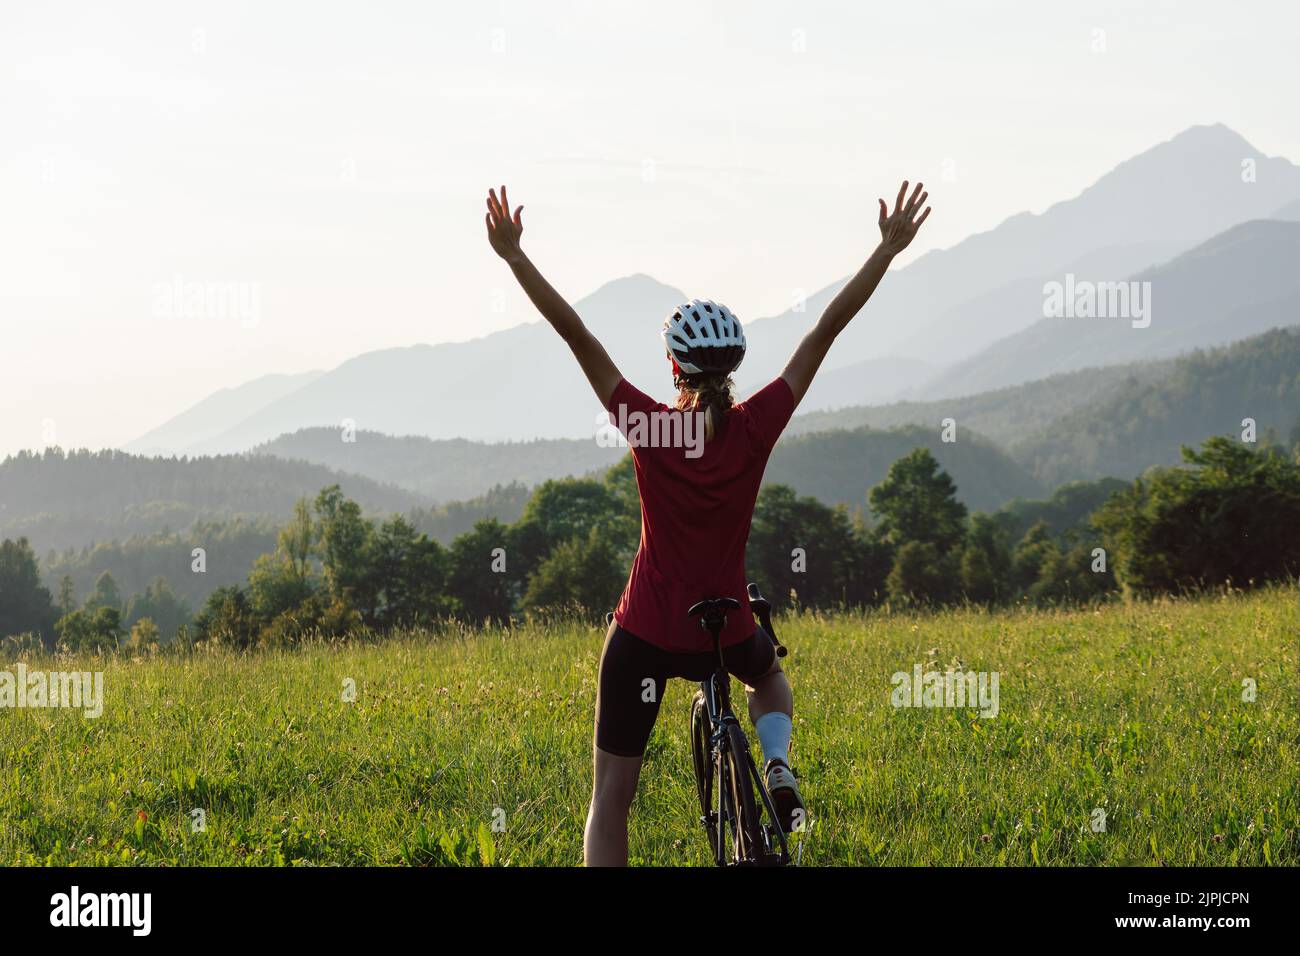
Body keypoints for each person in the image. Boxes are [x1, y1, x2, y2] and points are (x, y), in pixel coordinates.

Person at [484, 181, 931, 865]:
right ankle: (778, 766)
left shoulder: (648, 427)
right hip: (723, 633)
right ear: (733, 368)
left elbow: (577, 333)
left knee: (611, 800)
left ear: (674, 366)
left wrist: (515, 257)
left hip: (645, 636)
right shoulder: (754, 427)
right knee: (770, 680)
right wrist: (886, 250)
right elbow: (824, 332)